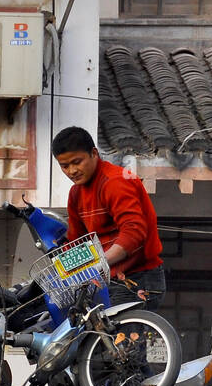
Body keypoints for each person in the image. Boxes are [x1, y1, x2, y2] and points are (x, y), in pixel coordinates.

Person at [51, 126, 165, 311]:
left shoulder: (115, 181)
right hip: (105, 279)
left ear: (94, 153)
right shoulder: (75, 193)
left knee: (120, 330)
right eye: (65, 166)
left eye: (77, 162)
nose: (72, 171)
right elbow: (76, 241)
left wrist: (99, 263)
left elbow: (134, 231)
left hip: (138, 277)